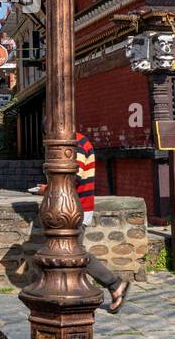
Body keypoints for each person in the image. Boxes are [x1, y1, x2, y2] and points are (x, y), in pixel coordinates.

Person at [32, 130, 131, 313]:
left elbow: (71, 179)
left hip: (76, 208)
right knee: (72, 252)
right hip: (76, 206)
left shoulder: (76, 144)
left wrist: (47, 189)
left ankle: (115, 284)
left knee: (74, 254)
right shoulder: (79, 142)